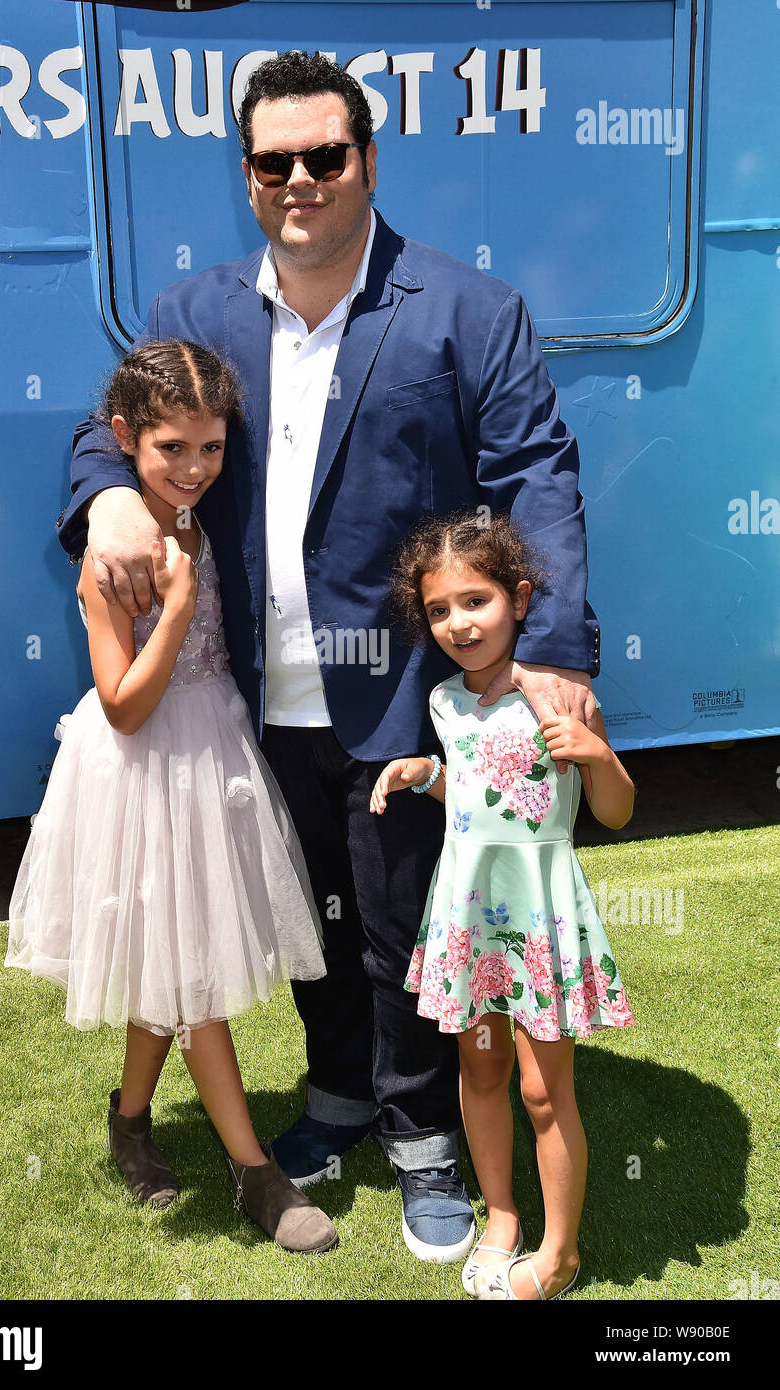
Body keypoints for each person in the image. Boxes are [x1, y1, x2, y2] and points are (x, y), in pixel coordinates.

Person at [57, 50, 602, 1262]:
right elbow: (116, 429)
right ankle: (339, 1097)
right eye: (273, 160)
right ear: (246, 177)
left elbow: (533, 475)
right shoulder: (193, 313)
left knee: (406, 922)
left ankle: (420, 1138)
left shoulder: (467, 308)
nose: (299, 178)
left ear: (367, 160)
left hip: (409, 695)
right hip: (250, 698)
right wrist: (105, 498)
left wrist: (553, 652)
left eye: (325, 155)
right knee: (306, 919)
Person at [7, 340, 337, 1255]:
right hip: (143, 770)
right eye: (170, 451)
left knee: (172, 959)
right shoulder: (112, 558)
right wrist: (180, 612)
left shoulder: (203, 519)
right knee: (192, 977)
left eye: (211, 448)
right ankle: (257, 1173)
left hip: (216, 758)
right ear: (125, 440)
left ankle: (130, 1117)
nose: (194, 469)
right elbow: (120, 707)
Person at [370, 511, 635, 1298]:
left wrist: (595, 756)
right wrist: (423, 774)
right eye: (440, 610)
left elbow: (616, 812)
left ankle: (558, 1254)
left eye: (475, 601)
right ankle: (501, 1216)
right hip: (467, 911)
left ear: (519, 599)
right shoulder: (446, 702)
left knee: (541, 1089)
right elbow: (479, 793)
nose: (458, 622)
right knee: (479, 1068)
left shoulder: (558, 695)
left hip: (539, 912)